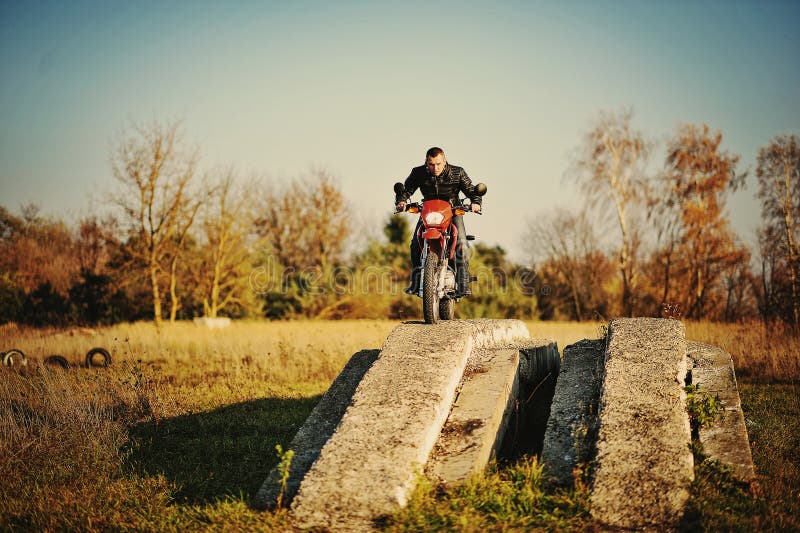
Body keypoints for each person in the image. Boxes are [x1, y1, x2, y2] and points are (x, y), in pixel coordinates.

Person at [394, 147, 482, 296]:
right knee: (415, 243)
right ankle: (415, 283)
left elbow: (472, 190)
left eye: (439, 164)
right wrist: (402, 201)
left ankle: (463, 282)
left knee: (461, 243)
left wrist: (476, 202)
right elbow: (406, 190)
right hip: (428, 211)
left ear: (445, 161)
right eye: (431, 164)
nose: (435, 168)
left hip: (453, 210)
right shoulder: (418, 173)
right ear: (426, 163)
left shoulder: (457, 172)